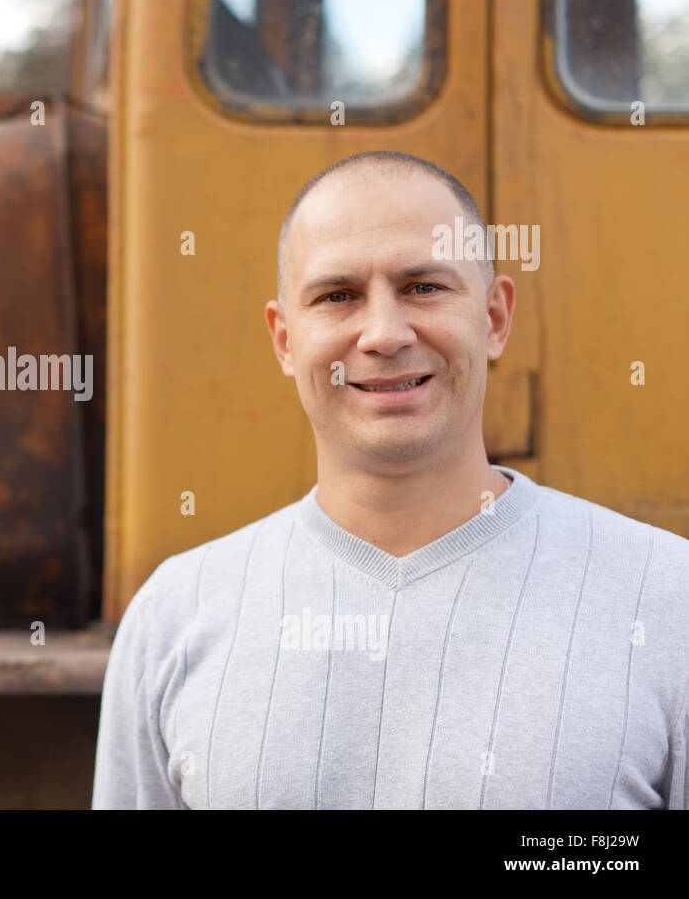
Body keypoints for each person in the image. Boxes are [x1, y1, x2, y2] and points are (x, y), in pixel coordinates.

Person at [91, 151, 689, 809]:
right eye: (337, 296)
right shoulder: (176, 617)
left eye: (424, 288)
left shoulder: (663, 601)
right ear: (285, 340)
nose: (383, 333)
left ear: (494, 318)